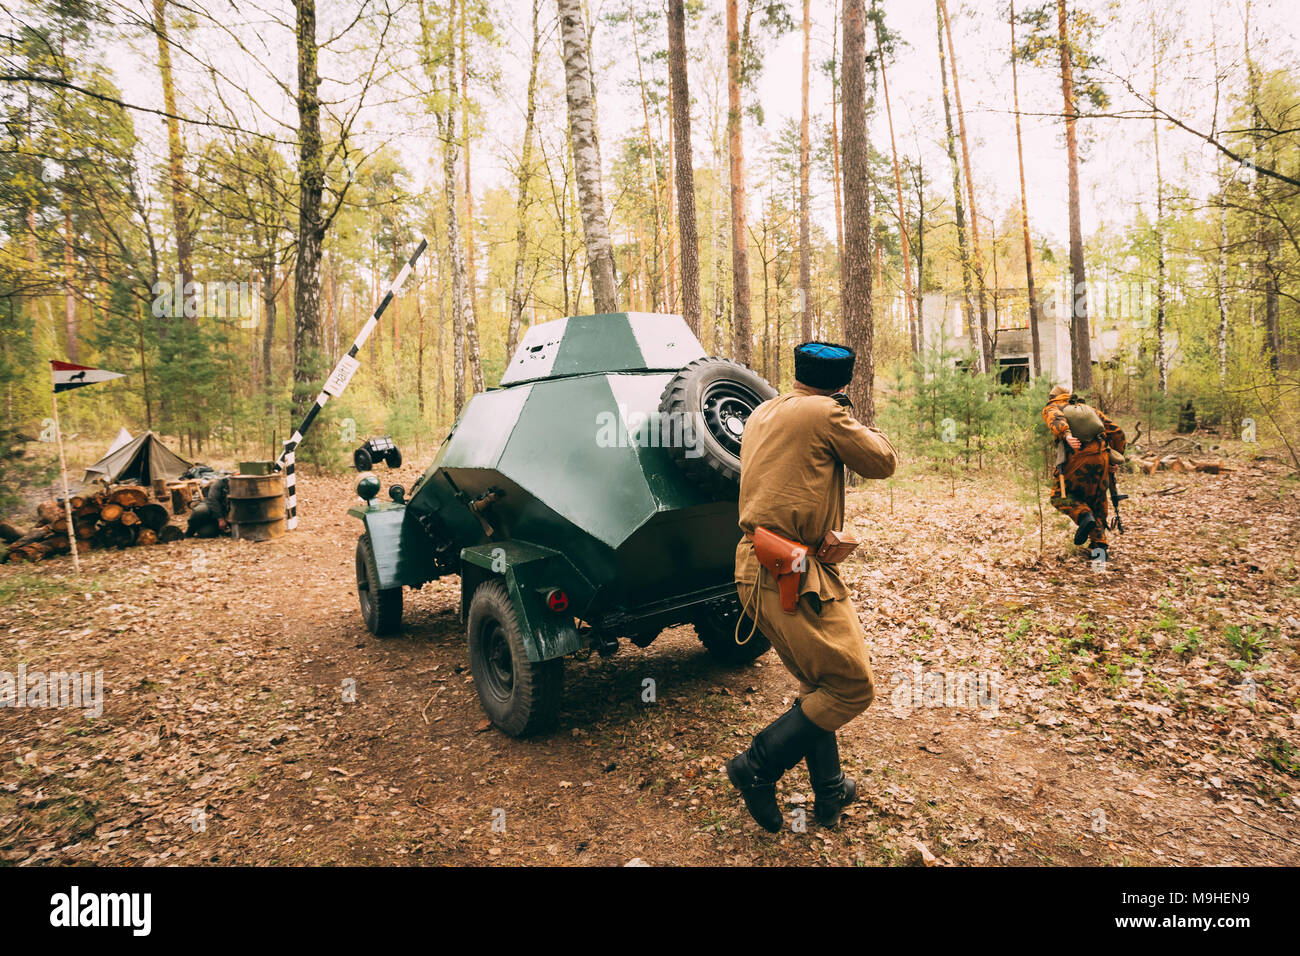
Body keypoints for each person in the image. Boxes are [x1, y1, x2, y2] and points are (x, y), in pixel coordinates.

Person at [726, 341, 898, 832]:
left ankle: (829, 790)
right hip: (794, 571)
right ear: (841, 383)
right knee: (850, 687)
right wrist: (852, 414)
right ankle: (756, 767)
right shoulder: (827, 413)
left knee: (817, 684)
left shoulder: (762, 411)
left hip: (753, 562)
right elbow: (882, 461)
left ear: (798, 373)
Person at [1042, 386, 1127, 556]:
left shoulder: (1053, 407)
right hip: (1101, 458)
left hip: (1077, 459)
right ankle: (1099, 550)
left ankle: (1084, 516)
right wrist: (1115, 458)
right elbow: (1117, 432)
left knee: (1059, 497)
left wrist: (1066, 434)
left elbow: (1055, 419)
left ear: (1053, 397)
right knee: (1098, 500)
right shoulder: (1089, 410)